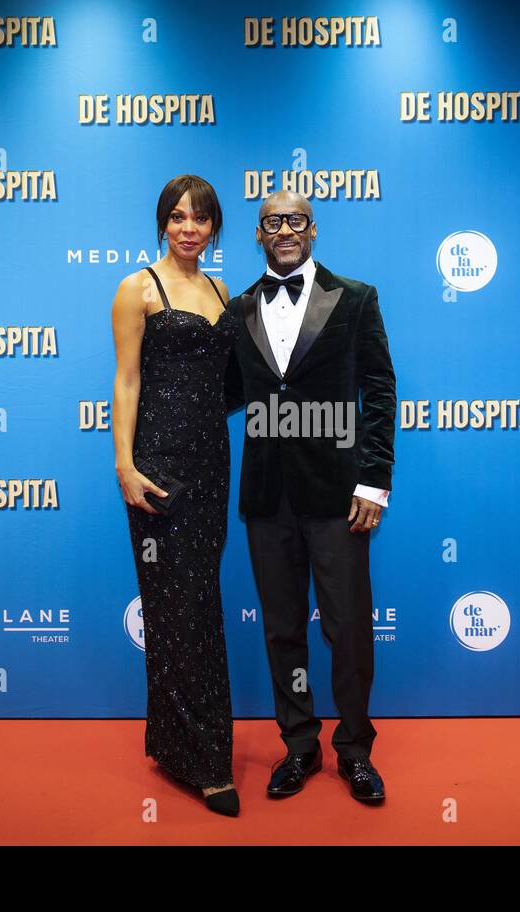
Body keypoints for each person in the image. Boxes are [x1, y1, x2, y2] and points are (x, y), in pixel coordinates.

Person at [224, 191, 396, 803]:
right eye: (274, 222)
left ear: (314, 230)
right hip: (267, 498)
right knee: (282, 628)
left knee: (348, 627)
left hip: (338, 495)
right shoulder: (238, 307)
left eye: (296, 220)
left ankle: (354, 749)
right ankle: (298, 744)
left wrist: (374, 480)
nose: (286, 230)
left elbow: (378, 389)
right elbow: (221, 396)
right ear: (258, 234)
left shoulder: (356, 298)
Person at [110, 175, 240, 817]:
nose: (189, 227)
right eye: (177, 216)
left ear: (215, 228)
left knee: (202, 603)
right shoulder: (138, 287)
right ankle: (207, 763)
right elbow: (127, 381)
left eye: (201, 218)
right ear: (162, 223)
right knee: (173, 608)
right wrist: (125, 468)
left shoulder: (221, 290)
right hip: (158, 467)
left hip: (214, 467)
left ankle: (177, 742)